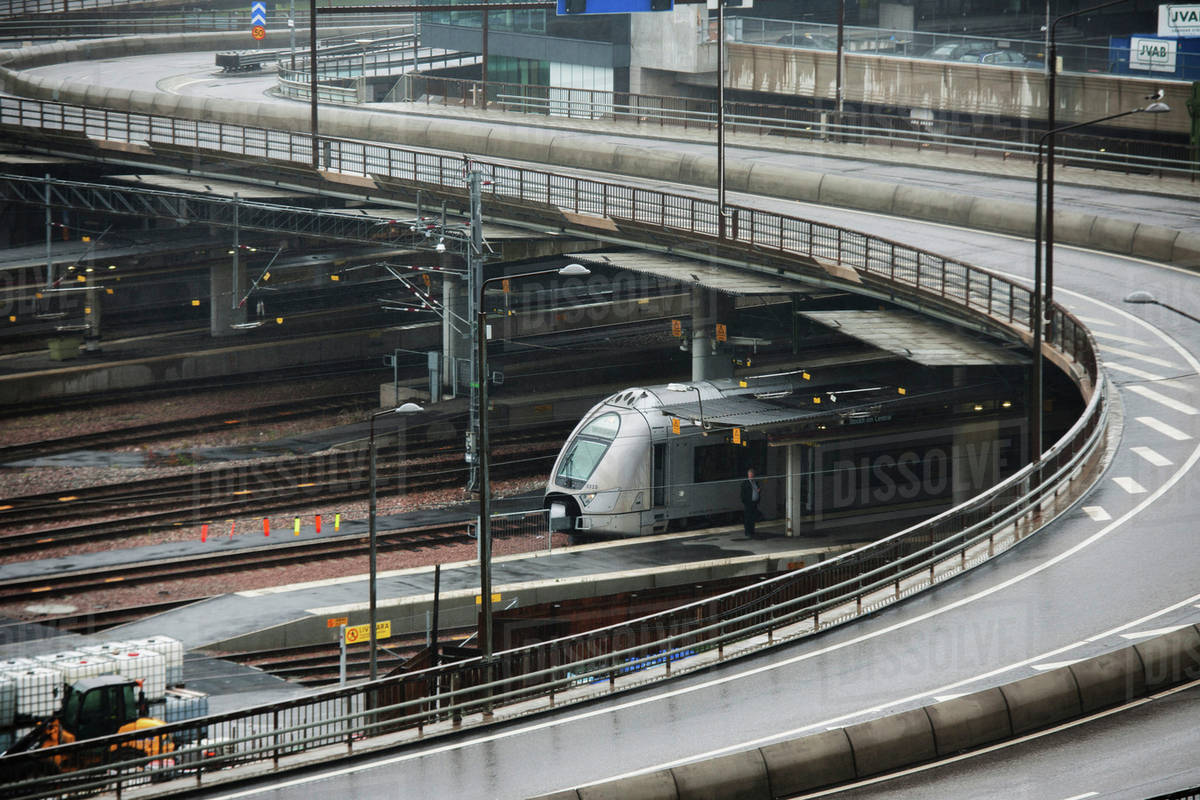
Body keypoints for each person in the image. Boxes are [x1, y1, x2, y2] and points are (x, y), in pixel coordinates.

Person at [741, 467, 761, 538]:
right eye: (750, 474)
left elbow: (758, 490)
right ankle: (747, 532)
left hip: (754, 502)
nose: (751, 476)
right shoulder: (745, 483)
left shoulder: (756, 482)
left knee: (753, 517)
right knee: (748, 518)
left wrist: (758, 495)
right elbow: (743, 494)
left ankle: (752, 531)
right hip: (748, 503)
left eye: (752, 474)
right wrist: (745, 502)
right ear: (748, 475)